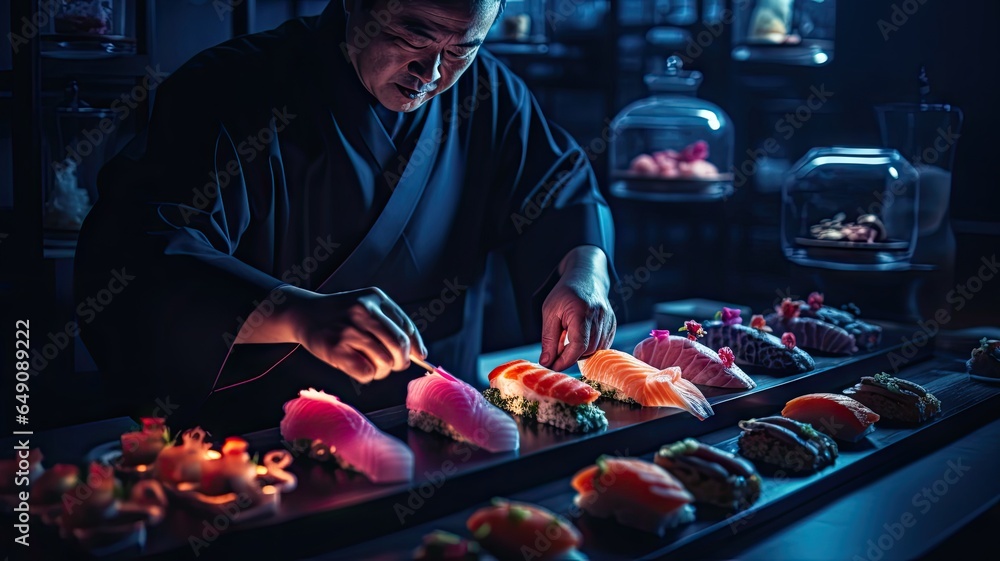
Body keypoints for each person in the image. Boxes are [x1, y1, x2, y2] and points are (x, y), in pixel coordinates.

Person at [75, 0, 617, 433]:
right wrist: (297, 313)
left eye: (461, 50)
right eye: (413, 36)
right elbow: (138, 251)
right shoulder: (231, 87)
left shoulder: (488, 92)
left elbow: (560, 189)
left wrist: (583, 274)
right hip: (259, 429)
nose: (430, 72)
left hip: (438, 420)